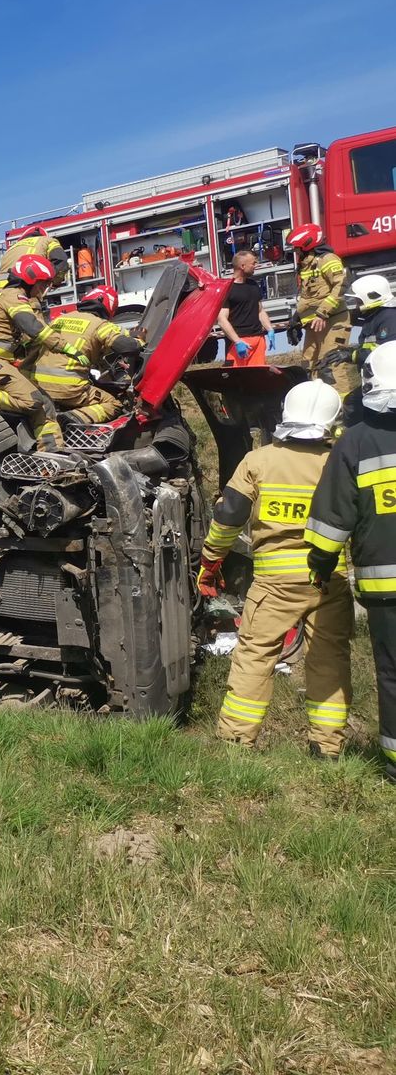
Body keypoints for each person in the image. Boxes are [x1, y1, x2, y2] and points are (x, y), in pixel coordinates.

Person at [198, 380, 351, 755]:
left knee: (255, 655)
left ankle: (237, 741)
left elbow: (229, 515)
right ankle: (328, 746)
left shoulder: (260, 460)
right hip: (329, 578)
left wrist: (211, 559)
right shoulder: (341, 460)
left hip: (275, 583)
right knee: (329, 658)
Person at [305, 341, 396, 783]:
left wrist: (320, 563)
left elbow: (333, 518)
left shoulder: (355, 442)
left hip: (388, 594)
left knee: (394, 676)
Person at [0, 254, 83, 451]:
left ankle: (53, 452)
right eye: (43, 284)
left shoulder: (7, 297)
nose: (44, 290)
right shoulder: (13, 296)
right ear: (30, 280)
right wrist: (65, 347)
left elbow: (26, 337)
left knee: (45, 404)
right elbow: (32, 326)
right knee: (33, 400)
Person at [34, 285, 142, 423]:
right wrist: (140, 340)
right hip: (69, 389)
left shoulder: (58, 320)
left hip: (39, 387)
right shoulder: (99, 325)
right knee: (113, 404)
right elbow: (128, 347)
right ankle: (70, 419)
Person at [288, 224, 353, 394]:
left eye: (297, 249)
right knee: (309, 367)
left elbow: (341, 285)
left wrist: (322, 313)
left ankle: (342, 415)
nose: (296, 253)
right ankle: (320, 410)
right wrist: (296, 320)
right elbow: (308, 297)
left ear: (307, 245)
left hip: (333, 321)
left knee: (331, 367)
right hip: (314, 324)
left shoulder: (328, 259)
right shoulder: (307, 265)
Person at [219, 252, 276, 367]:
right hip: (239, 341)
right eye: (253, 263)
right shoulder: (227, 289)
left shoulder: (253, 285)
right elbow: (222, 320)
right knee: (237, 380)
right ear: (242, 266)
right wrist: (237, 342)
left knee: (256, 378)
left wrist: (270, 329)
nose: (255, 266)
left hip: (258, 339)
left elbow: (260, 310)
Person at [0, 225, 69, 292]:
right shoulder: (47, 241)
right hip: (22, 287)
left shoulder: (10, 249)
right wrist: (54, 282)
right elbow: (61, 261)